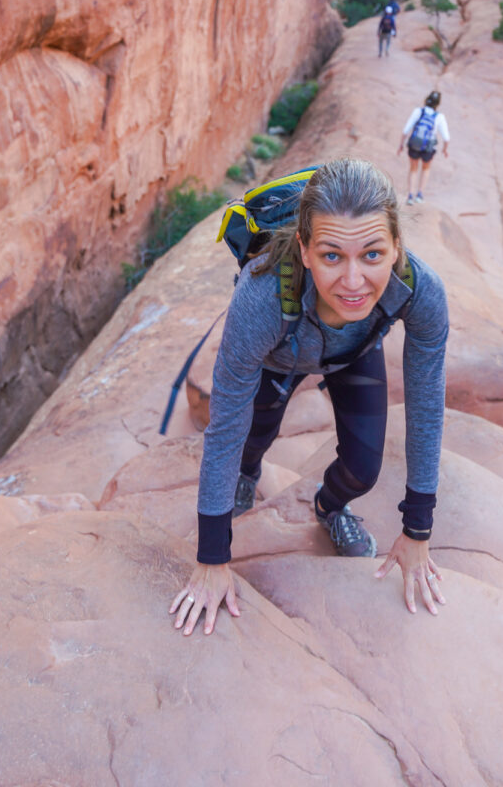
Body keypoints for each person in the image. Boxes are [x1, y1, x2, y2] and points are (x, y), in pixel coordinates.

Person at [169, 158, 450, 636]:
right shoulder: (261, 296)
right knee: (249, 440)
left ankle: (329, 507)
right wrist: (212, 557)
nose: (355, 282)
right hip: (280, 355)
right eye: (332, 256)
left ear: (397, 246)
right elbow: (225, 423)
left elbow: (426, 404)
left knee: (363, 470)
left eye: (373, 255)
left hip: (354, 352)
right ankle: (248, 475)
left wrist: (418, 529)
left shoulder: (419, 292)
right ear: (303, 250)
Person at [398, 91, 450, 205]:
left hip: (414, 144)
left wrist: (401, 145)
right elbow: (446, 138)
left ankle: (410, 196)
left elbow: (406, 130)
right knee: (426, 169)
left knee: (413, 169)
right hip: (428, 147)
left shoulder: (418, 111)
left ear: (426, 99)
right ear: (438, 104)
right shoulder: (439, 117)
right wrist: (445, 150)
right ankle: (420, 195)